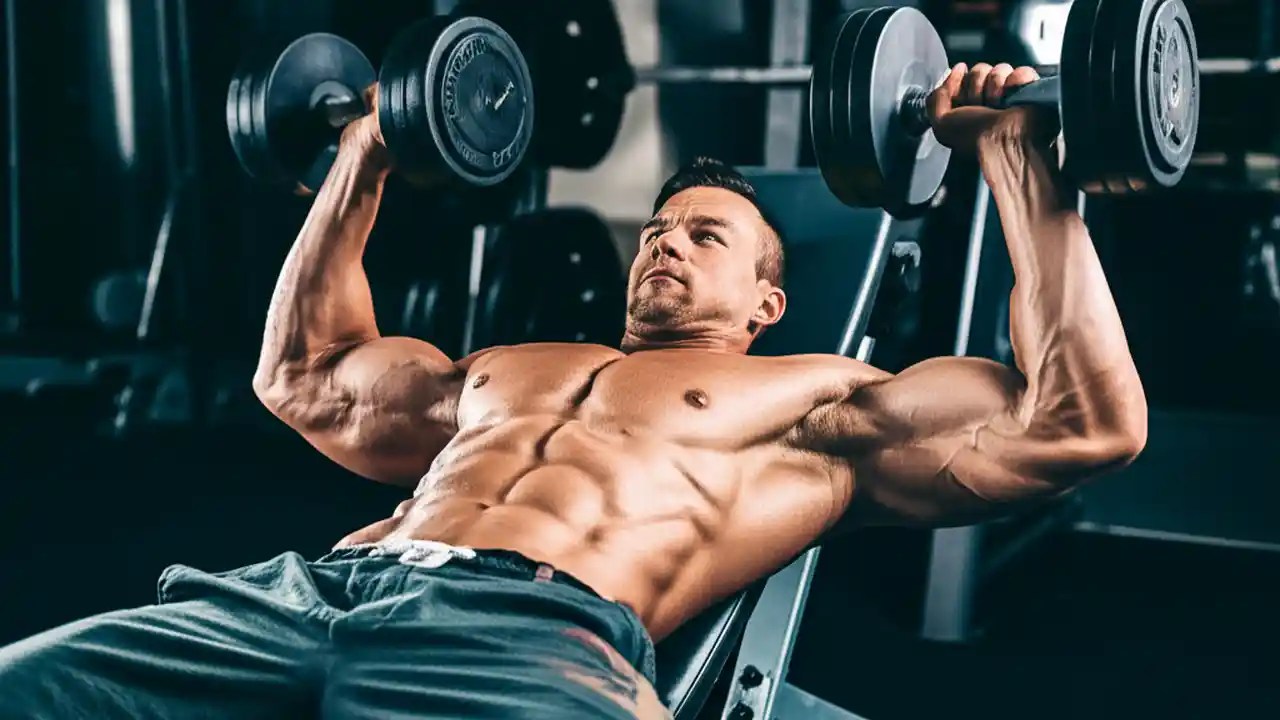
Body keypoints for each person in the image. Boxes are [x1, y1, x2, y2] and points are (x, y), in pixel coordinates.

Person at [0, 63, 1145, 719]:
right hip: (306, 596)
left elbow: (1080, 423)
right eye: (656, 230)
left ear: (764, 304)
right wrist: (363, 151)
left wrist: (1015, 159)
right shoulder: (511, 366)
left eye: (704, 237)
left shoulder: (816, 398)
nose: (665, 245)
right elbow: (303, 375)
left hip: (534, 637)